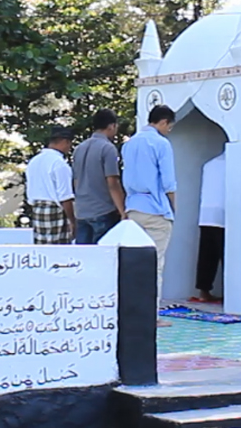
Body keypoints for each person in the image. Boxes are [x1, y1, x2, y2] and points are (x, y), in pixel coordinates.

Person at [121, 104, 176, 320]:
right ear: (163, 122)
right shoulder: (161, 143)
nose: (168, 131)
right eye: (169, 127)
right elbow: (169, 182)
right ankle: (150, 315)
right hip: (155, 209)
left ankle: (132, 311)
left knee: (134, 264)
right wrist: (173, 207)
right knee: (155, 264)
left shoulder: (130, 144)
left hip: (133, 207)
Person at [72, 109, 126, 244]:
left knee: (82, 258)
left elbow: (75, 181)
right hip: (102, 210)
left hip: (82, 210)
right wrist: (122, 210)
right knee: (103, 257)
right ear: (111, 126)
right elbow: (112, 182)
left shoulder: (79, 148)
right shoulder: (108, 148)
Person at [25, 126, 76, 244]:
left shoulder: (34, 161)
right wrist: (72, 221)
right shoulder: (59, 164)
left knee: (42, 251)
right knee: (58, 251)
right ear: (65, 141)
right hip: (55, 212)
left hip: (37, 209)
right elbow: (65, 197)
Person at [192, 151, 226, 303]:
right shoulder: (235, 163)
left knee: (207, 256)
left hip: (206, 214)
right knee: (227, 257)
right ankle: (230, 293)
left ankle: (203, 291)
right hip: (225, 214)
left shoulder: (209, 164)